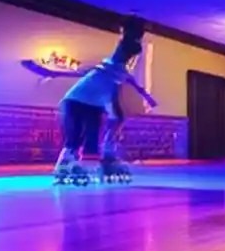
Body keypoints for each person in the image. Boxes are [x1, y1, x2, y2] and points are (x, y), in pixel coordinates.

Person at [24, 16, 157, 184]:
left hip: (92, 104)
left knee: (94, 136)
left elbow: (127, 79)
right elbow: (125, 74)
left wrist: (145, 95)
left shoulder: (115, 73)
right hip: (75, 102)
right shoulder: (109, 69)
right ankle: (70, 165)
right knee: (75, 139)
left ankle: (95, 159)